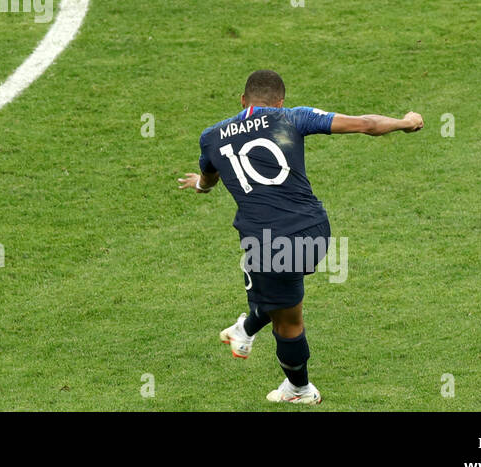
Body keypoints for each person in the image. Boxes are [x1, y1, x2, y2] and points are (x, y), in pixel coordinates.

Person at [178, 69, 422, 404]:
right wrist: (405, 121)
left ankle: (300, 389)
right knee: (281, 296)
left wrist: (198, 185)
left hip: (268, 246)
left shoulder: (212, 137)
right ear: (279, 102)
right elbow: (366, 124)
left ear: (242, 100)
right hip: (315, 231)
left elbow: (208, 180)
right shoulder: (292, 118)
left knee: (287, 320)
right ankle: (244, 331)